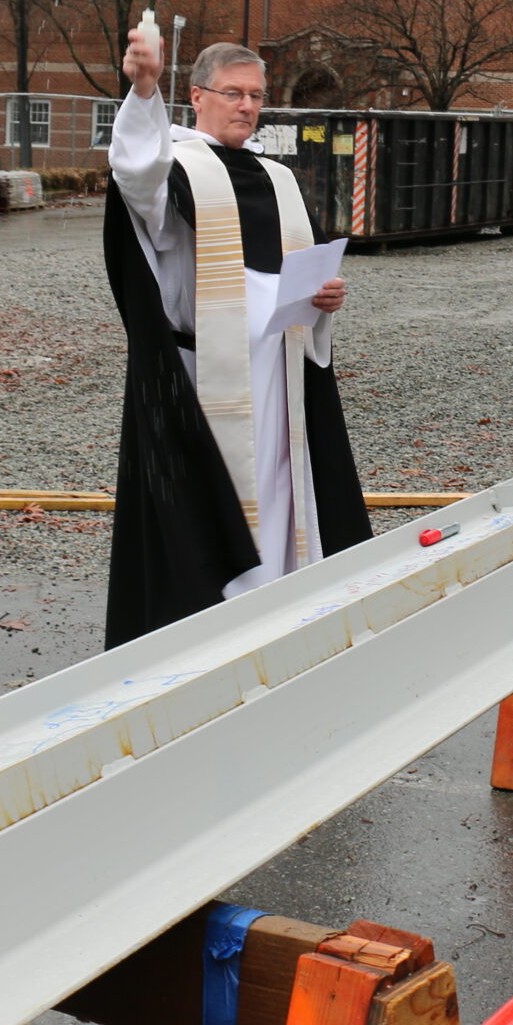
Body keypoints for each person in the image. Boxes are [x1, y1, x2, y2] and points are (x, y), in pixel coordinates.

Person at [103, 34, 368, 646]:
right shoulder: (176, 165)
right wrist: (144, 88)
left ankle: (278, 601)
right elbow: (135, 173)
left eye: (256, 96)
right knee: (216, 496)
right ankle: (217, 624)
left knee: (281, 483)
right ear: (197, 97)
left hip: (279, 370)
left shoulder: (276, 178)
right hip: (205, 377)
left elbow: (291, 277)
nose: (246, 106)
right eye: (233, 94)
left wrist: (324, 303)